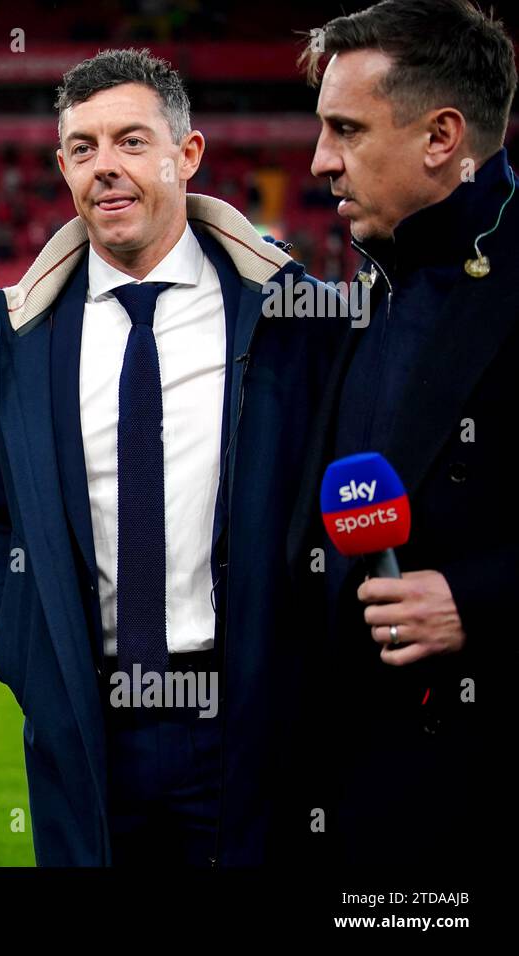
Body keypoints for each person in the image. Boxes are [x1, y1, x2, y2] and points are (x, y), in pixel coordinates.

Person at [0, 49, 343, 866]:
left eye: (131, 141)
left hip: (248, 722)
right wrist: (30, 661)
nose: (106, 168)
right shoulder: (13, 344)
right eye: (83, 148)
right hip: (85, 723)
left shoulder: (296, 322)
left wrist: (295, 667)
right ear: (61, 167)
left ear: (187, 155)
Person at [285, 0, 517, 865]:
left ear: (440, 137)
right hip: (351, 774)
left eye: (346, 129)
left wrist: (479, 599)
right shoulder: (379, 274)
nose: (320, 162)